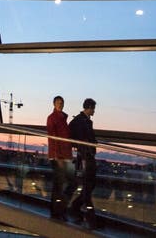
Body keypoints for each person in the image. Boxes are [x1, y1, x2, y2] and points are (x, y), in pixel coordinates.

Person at [69, 98, 98, 228]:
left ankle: (76, 206)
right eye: (93, 108)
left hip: (87, 155)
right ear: (89, 108)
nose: (94, 111)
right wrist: (83, 150)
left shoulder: (82, 120)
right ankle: (91, 218)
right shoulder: (81, 121)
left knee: (89, 185)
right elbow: (78, 138)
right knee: (88, 185)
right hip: (86, 156)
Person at [47, 95, 76, 220]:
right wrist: (57, 158)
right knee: (59, 186)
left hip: (66, 156)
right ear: (54, 104)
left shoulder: (63, 119)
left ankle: (60, 209)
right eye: (58, 102)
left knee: (71, 184)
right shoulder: (52, 118)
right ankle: (57, 212)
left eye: (62, 102)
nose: (60, 104)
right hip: (58, 157)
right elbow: (53, 139)